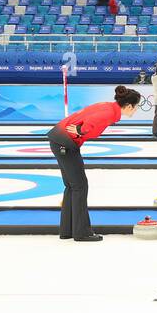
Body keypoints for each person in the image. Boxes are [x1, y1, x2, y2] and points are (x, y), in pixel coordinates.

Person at [47, 85, 141, 242]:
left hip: (60, 140)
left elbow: (87, 116)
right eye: (136, 107)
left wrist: (80, 130)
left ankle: (67, 230)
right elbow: (90, 123)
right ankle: (82, 232)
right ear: (129, 106)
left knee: (72, 186)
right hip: (65, 143)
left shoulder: (108, 107)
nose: (136, 110)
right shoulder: (110, 113)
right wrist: (80, 130)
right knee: (79, 186)